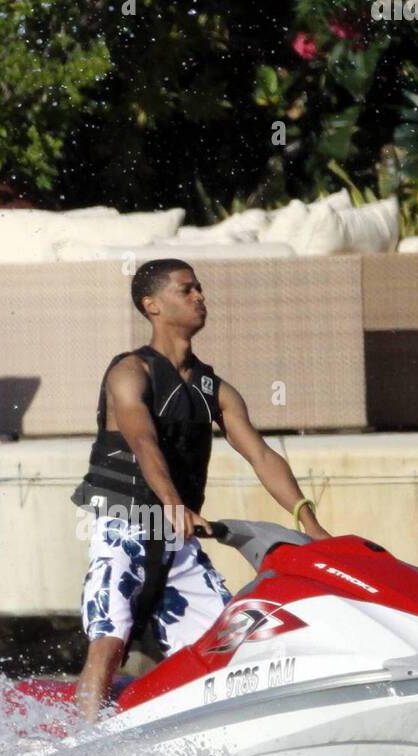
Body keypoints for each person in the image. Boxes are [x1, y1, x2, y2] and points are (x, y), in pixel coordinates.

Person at [72, 258, 331, 722]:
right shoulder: (130, 373)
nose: (199, 297)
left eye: (200, 289)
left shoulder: (215, 388)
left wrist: (312, 527)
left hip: (177, 541)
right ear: (152, 305)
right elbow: (143, 440)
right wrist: (174, 505)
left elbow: (263, 457)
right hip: (125, 526)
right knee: (110, 639)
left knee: (230, 640)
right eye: (186, 290)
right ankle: (79, 749)